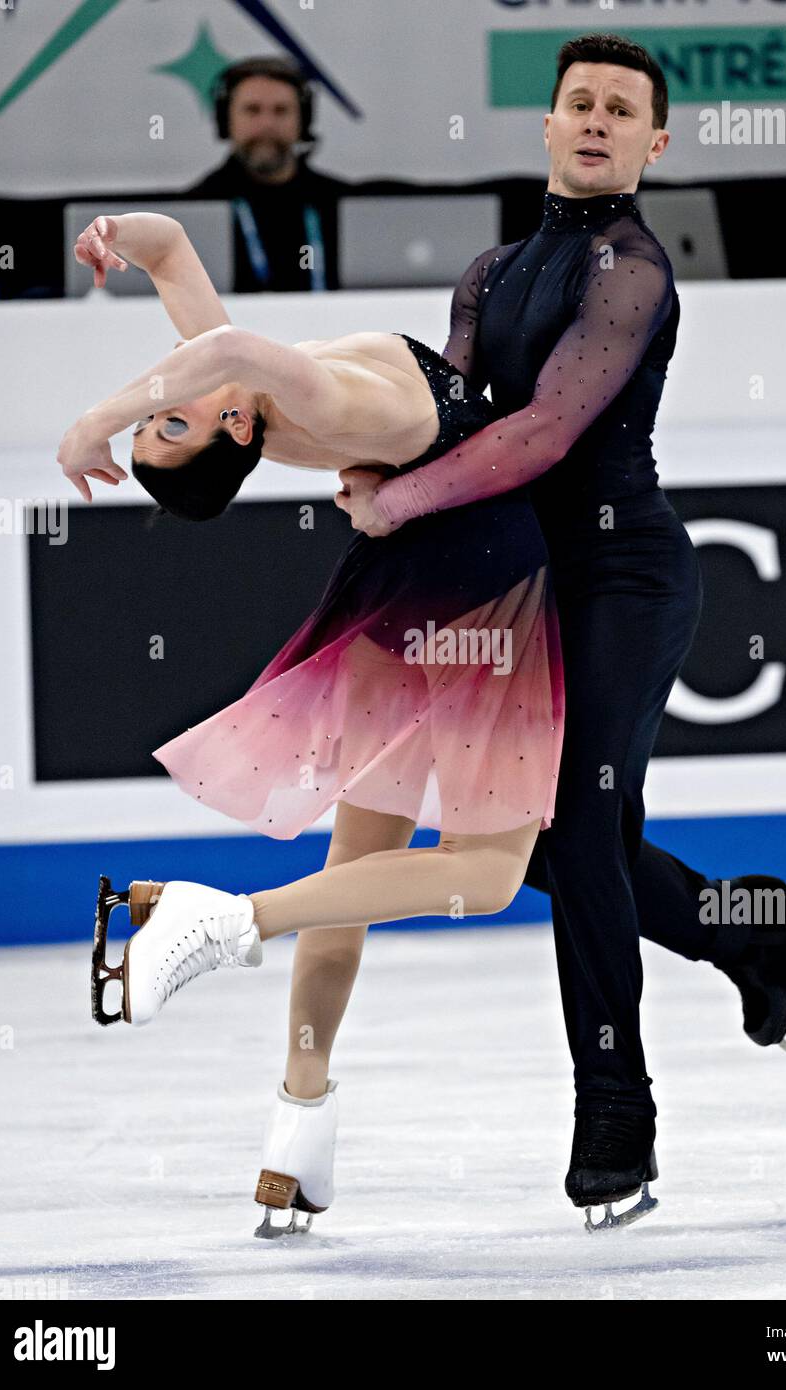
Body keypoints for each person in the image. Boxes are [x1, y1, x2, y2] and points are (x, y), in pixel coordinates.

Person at [335, 31, 786, 1228]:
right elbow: (452, 414)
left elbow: (539, 436)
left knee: (572, 826)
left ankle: (616, 1107)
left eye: (624, 109)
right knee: (547, 846)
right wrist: (357, 445)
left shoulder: (631, 269)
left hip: (622, 577)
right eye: (581, 103)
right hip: (520, 583)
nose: (599, 120)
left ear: (654, 143)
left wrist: (397, 502)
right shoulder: (487, 271)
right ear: (549, 124)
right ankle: (750, 922)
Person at [63, 209, 565, 1235]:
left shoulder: (248, 394)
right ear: (234, 429)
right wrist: (90, 422)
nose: (161, 399)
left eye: (159, 414)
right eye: (167, 420)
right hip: (481, 594)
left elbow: (174, 267)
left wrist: (123, 233)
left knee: (358, 864)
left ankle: (297, 1129)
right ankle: (231, 919)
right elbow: (227, 344)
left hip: (401, 590)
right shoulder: (296, 389)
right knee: (485, 873)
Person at [186, 56, 345, 292]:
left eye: (281, 111)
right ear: (225, 120)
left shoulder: (340, 203)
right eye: (252, 110)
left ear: (304, 120)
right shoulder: (196, 209)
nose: (267, 124)